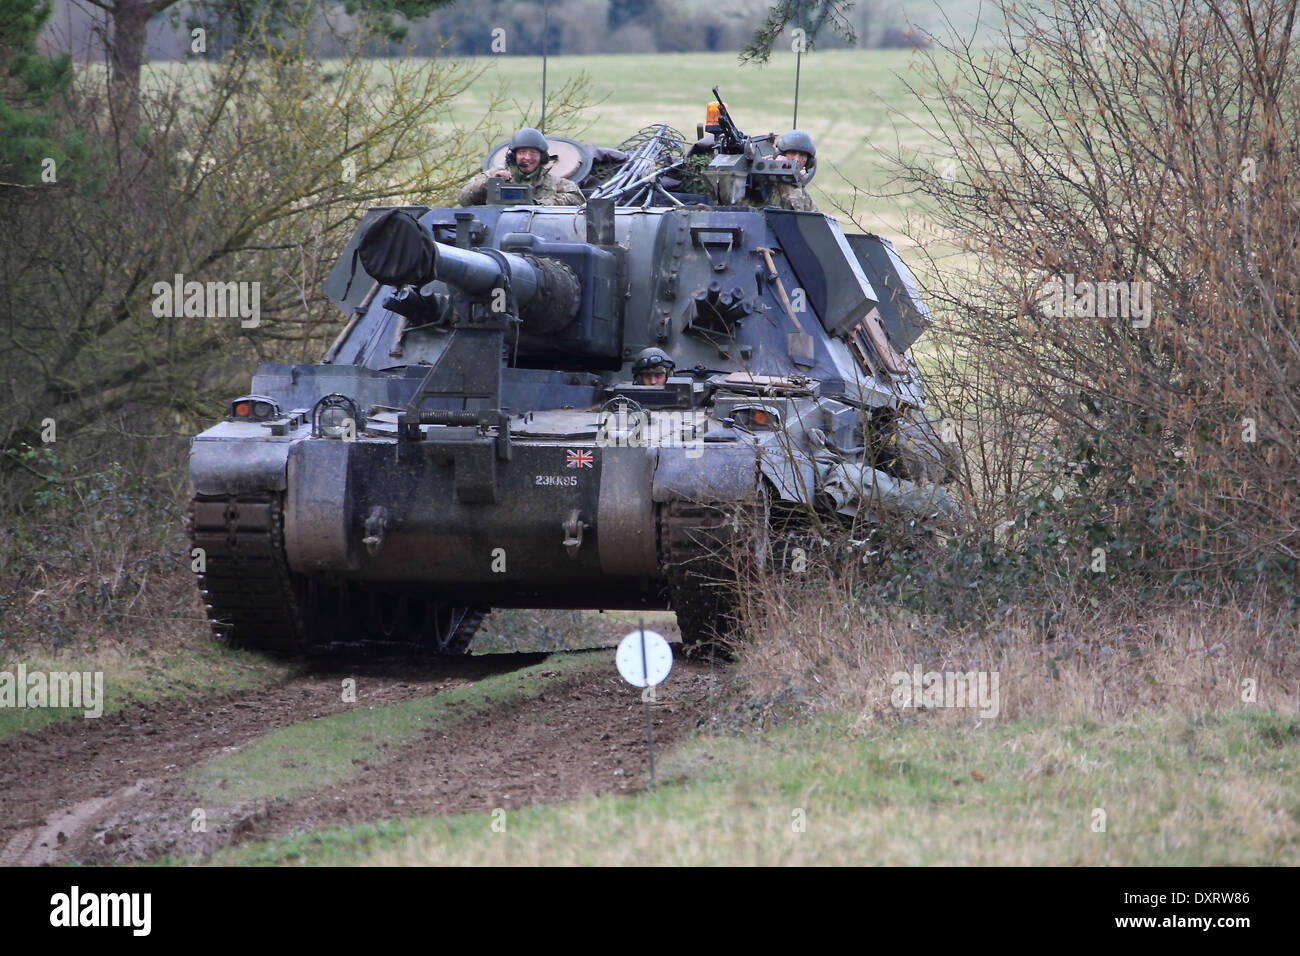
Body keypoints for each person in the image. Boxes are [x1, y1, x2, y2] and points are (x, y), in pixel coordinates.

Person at [457, 127, 585, 206]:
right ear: (514, 156)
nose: (528, 158)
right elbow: (463, 197)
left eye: (533, 153)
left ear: (542, 158)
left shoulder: (553, 183)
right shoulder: (494, 176)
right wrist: (489, 183)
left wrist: (538, 204)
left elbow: (578, 199)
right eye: (522, 153)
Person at [744, 129, 818, 212]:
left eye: (802, 155)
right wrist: (775, 166)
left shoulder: (802, 191)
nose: (797, 159)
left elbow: (814, 217)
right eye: (792, 153)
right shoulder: (764, 174)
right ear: (782, 154)